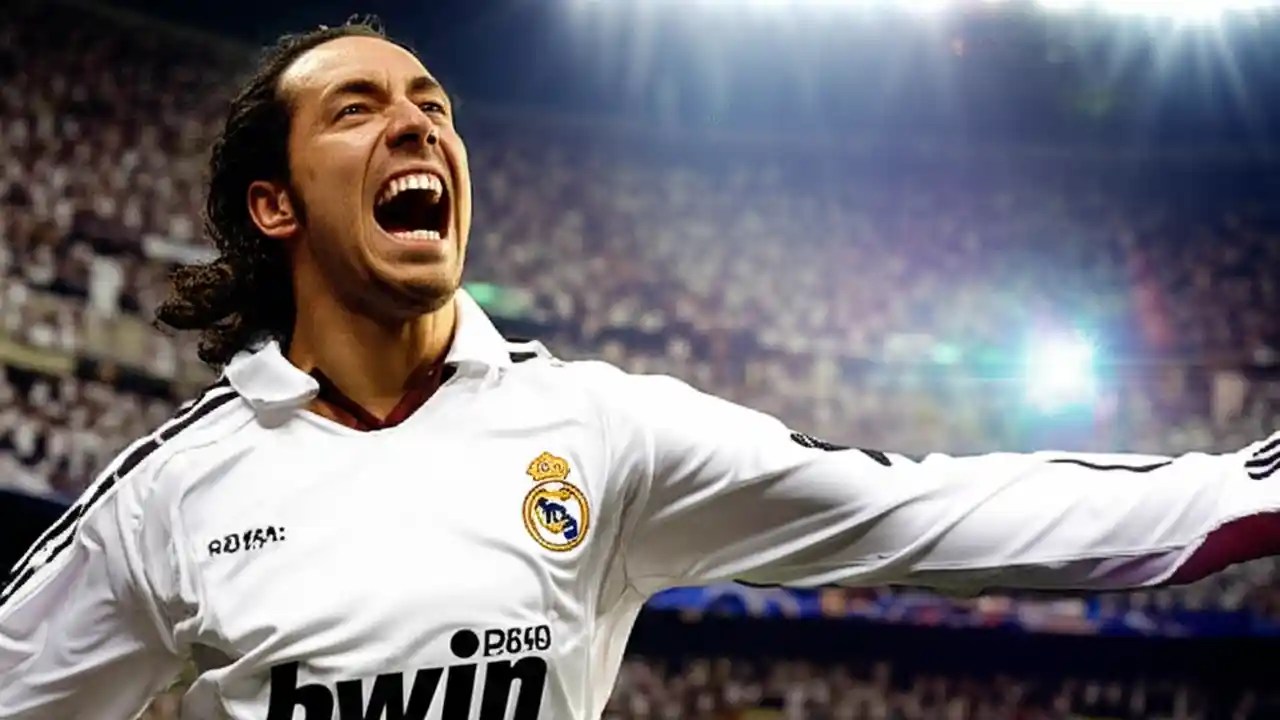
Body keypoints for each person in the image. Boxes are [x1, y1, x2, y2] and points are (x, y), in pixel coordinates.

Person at [1, 18, 1279, 720]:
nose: (418, 122)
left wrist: (1248, 487)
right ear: (275, 208)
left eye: (433, 103)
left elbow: (932, 511)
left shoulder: (600, 431)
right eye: (357, 108)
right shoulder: (167, 501)